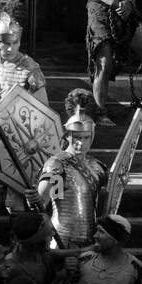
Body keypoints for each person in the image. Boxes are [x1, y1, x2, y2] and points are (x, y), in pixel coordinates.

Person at [38, 104, 107, 250]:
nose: (81, 142)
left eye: (86, 137)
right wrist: (35, 200)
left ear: (92, 137)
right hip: (62, 241)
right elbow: (42, 201)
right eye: (76, 137)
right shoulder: (57, 164)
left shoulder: (97, 167)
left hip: (90, 241)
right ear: (68, 136)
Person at [0, 14, 48, 107]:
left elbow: (43, 107)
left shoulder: (30, 67)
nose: (10, 48)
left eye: (15, 42)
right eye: (6, 43)